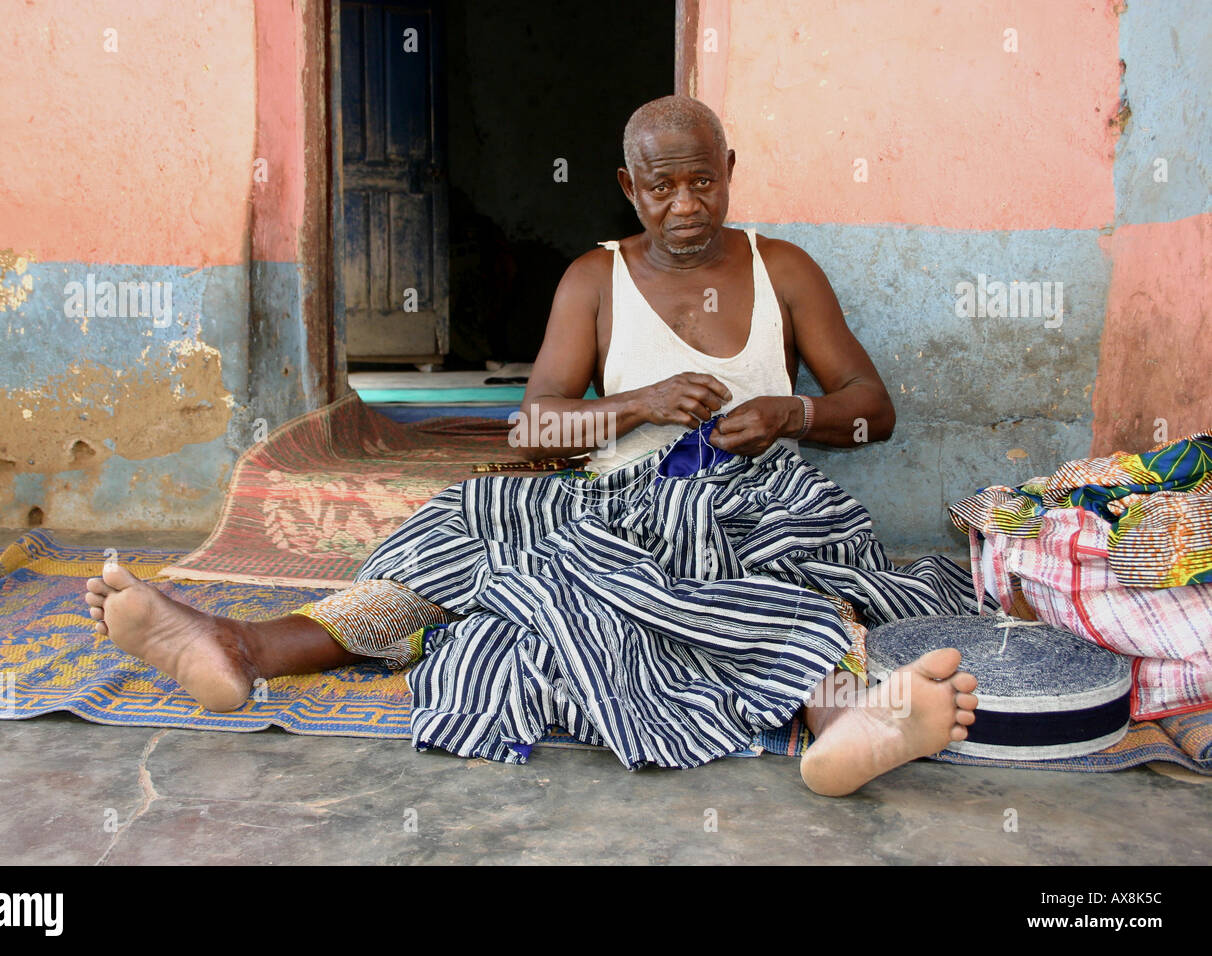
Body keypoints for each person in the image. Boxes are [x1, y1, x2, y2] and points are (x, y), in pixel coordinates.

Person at [83, 96, 978, 797]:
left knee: (780, 578)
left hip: (754, 500)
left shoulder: (780, 268)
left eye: (703, 182)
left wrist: (791, 415)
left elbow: (873, 411)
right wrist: (637, 404)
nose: (685, 206)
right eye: (661, 188)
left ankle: (847, 721)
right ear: (628, 187)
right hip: (609, 504)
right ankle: (242, 647)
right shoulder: (595, 278)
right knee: (461, 537)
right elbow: (534, 429)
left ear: (731, 172)